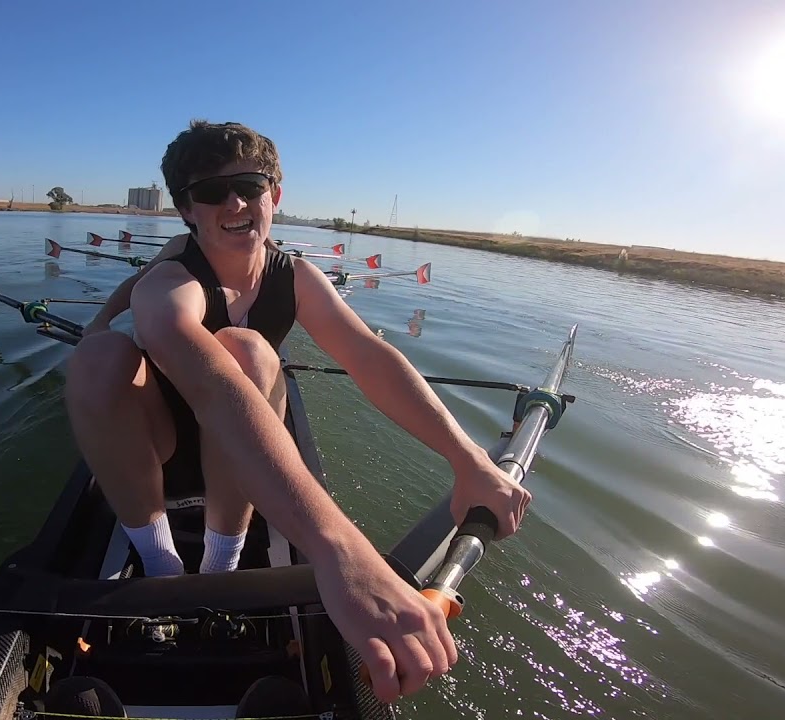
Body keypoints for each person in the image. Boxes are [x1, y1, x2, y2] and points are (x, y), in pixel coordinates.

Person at [63, 120, 531, 704]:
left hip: (241, 426)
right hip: (164, 440)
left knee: (250, 352)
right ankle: (162, 569)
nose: (234, 202)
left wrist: (469, 460)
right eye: (211, 192)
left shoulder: (296, 277)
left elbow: (369, 357)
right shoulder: (167, 282)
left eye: (249, 186)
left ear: (273, 197)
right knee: (100, 356)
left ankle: (219, 566)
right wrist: (343, 551)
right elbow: (209, 385)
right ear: (187, 210)